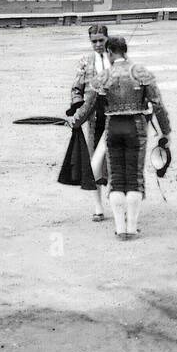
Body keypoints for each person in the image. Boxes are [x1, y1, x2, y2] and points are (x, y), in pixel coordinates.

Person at [67, 36, 172, 241]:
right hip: (136, 128)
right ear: (125, 51)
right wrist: (165, 132)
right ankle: (131, 229)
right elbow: (158, 106)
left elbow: (87, 107)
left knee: (116, 178)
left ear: (109, 52)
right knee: (134, 177)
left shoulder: (104, 76)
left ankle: (119, 228)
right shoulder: (140, 72)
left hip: (113, 128)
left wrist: (75, 121)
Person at [59, 24, 111, 221]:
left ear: (107, 39)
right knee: (93, 164)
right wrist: (76, 112)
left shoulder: (116, 60)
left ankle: (114, 204)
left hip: (114, 116)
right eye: (94, 41)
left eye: (101, 40)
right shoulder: (85, 63)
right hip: (93, 118)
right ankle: (98, 208)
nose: (97, 44)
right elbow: (76, 89)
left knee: (113, 162)